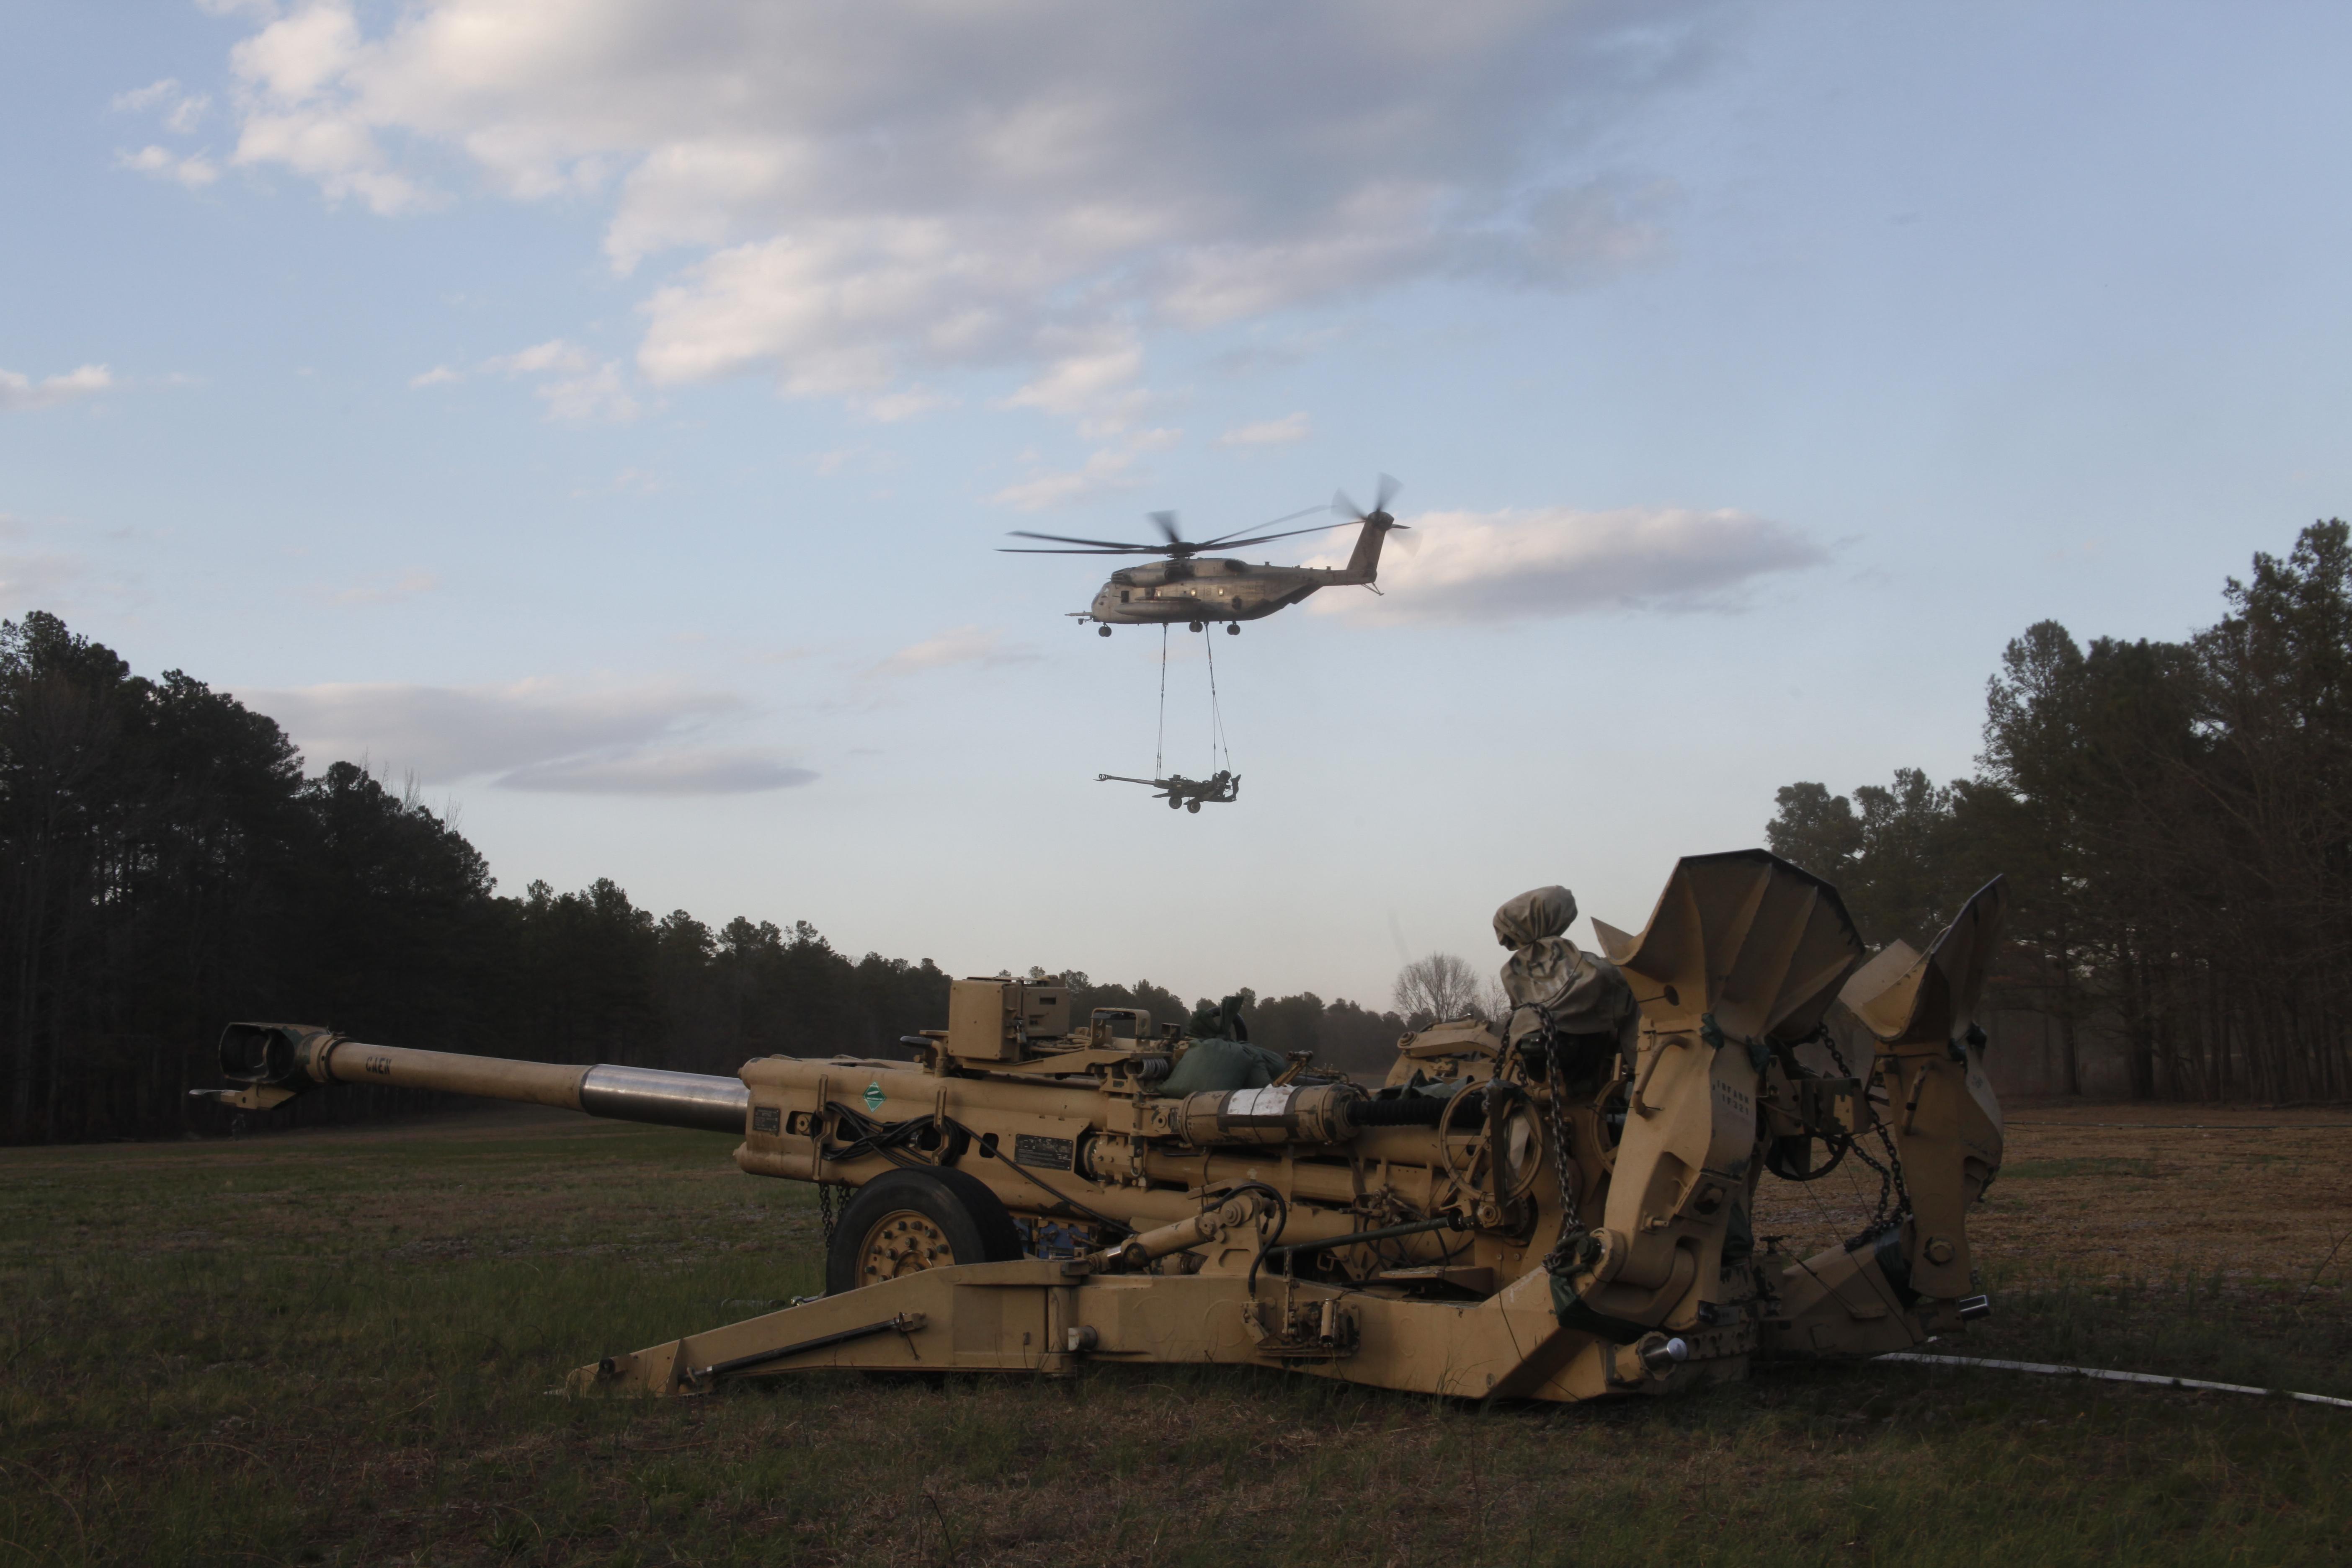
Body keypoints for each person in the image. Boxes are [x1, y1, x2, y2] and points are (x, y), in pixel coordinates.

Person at [1492, 886, 1637, 1072]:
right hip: (1584, 1059)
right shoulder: (1590, 967)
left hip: (1544, 1061)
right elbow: (1615, 987)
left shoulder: (1511, 971)